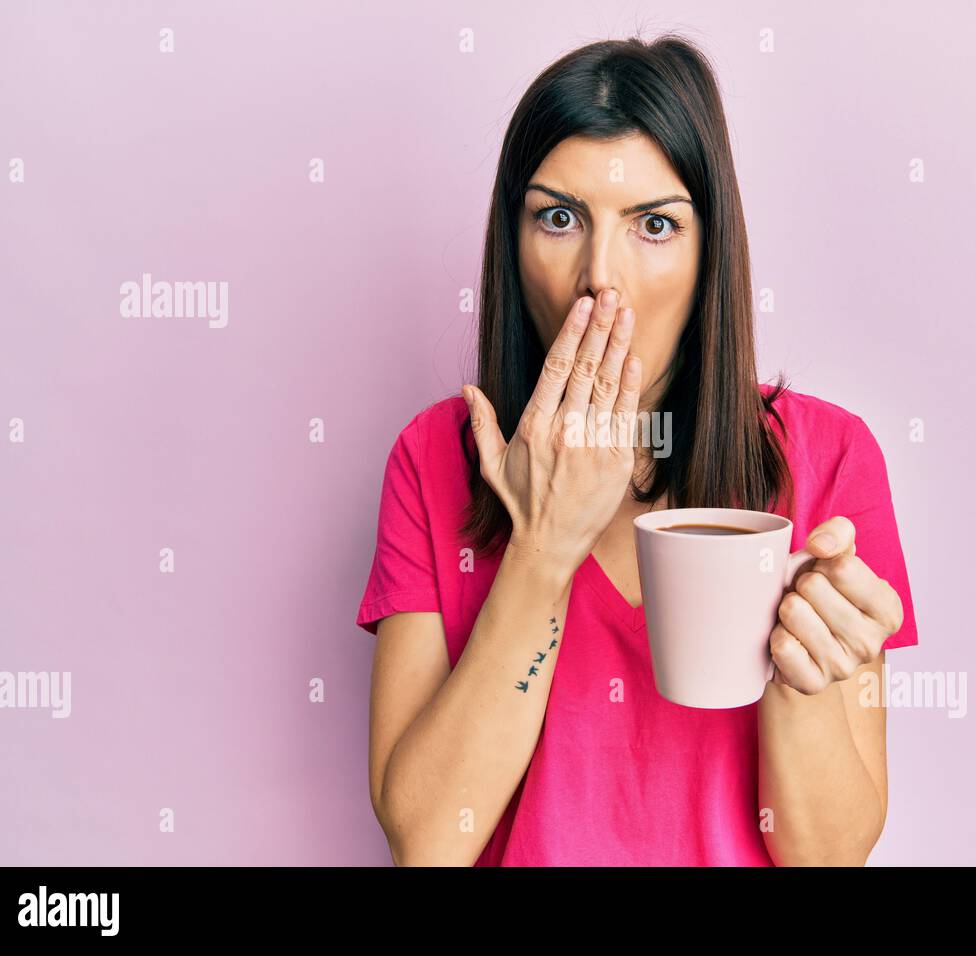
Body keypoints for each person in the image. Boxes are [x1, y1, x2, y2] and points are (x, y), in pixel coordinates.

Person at [356, 34, 919, 866]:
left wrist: (805, 672)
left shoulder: (832, 457)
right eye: (558, 217)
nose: (600, 278)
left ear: (709, 253)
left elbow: (829, 857)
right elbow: (431, 842)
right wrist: (543, 548)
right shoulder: (434, 456)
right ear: (511, 247)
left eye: (654, 224)